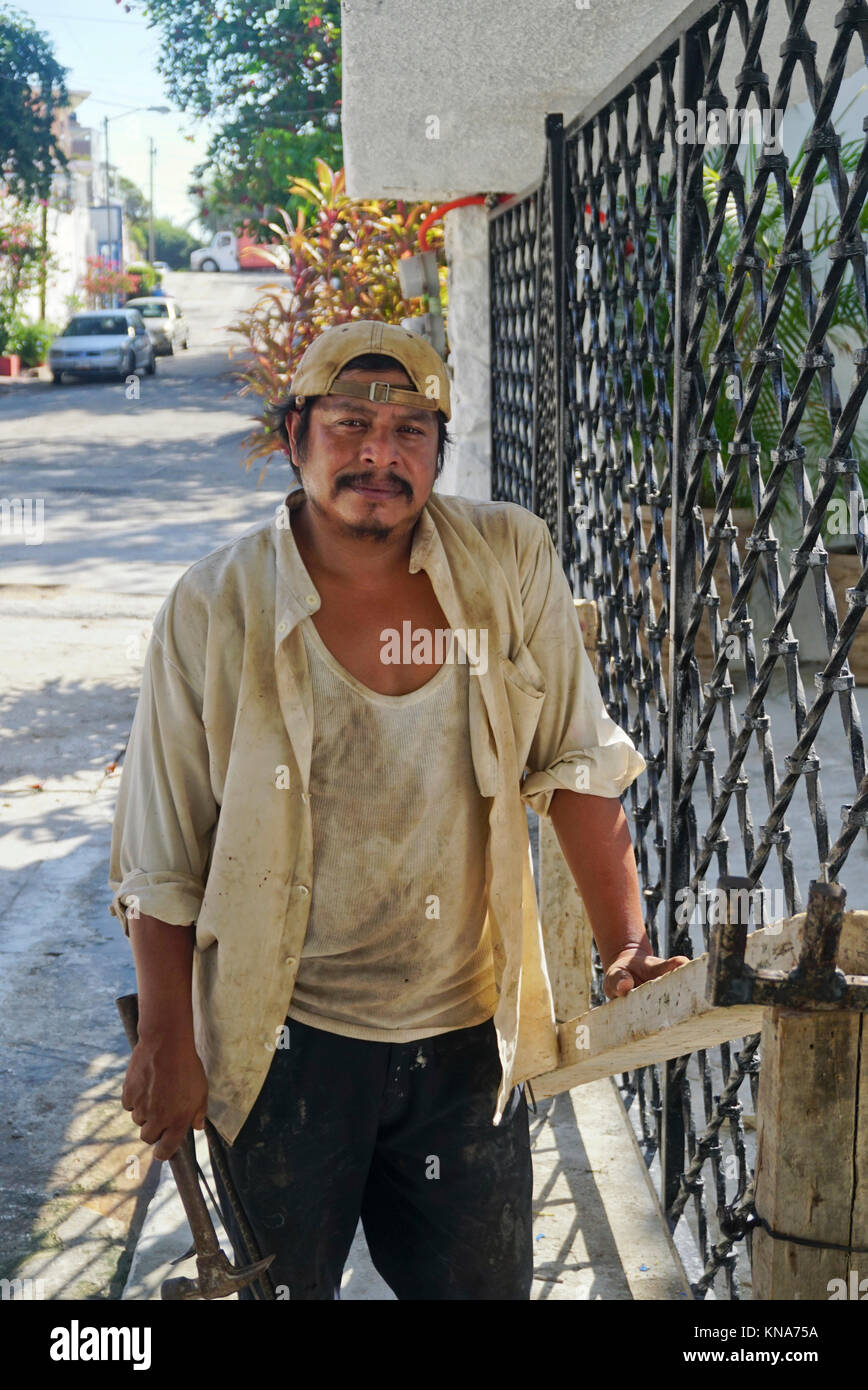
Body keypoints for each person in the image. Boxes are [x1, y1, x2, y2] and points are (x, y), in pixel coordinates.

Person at [110, 319, 688, 1301]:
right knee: (271, 1288)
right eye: (349, 424)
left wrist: (624, 946)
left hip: (466, 1037)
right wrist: (168, 1037)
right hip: (282, 1036)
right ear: (295, 438)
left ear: (437, 451)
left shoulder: (506, 563)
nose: (380, 452)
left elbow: (577, 761)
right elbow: (163, 849)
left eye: (412, 430)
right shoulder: (217, 605)